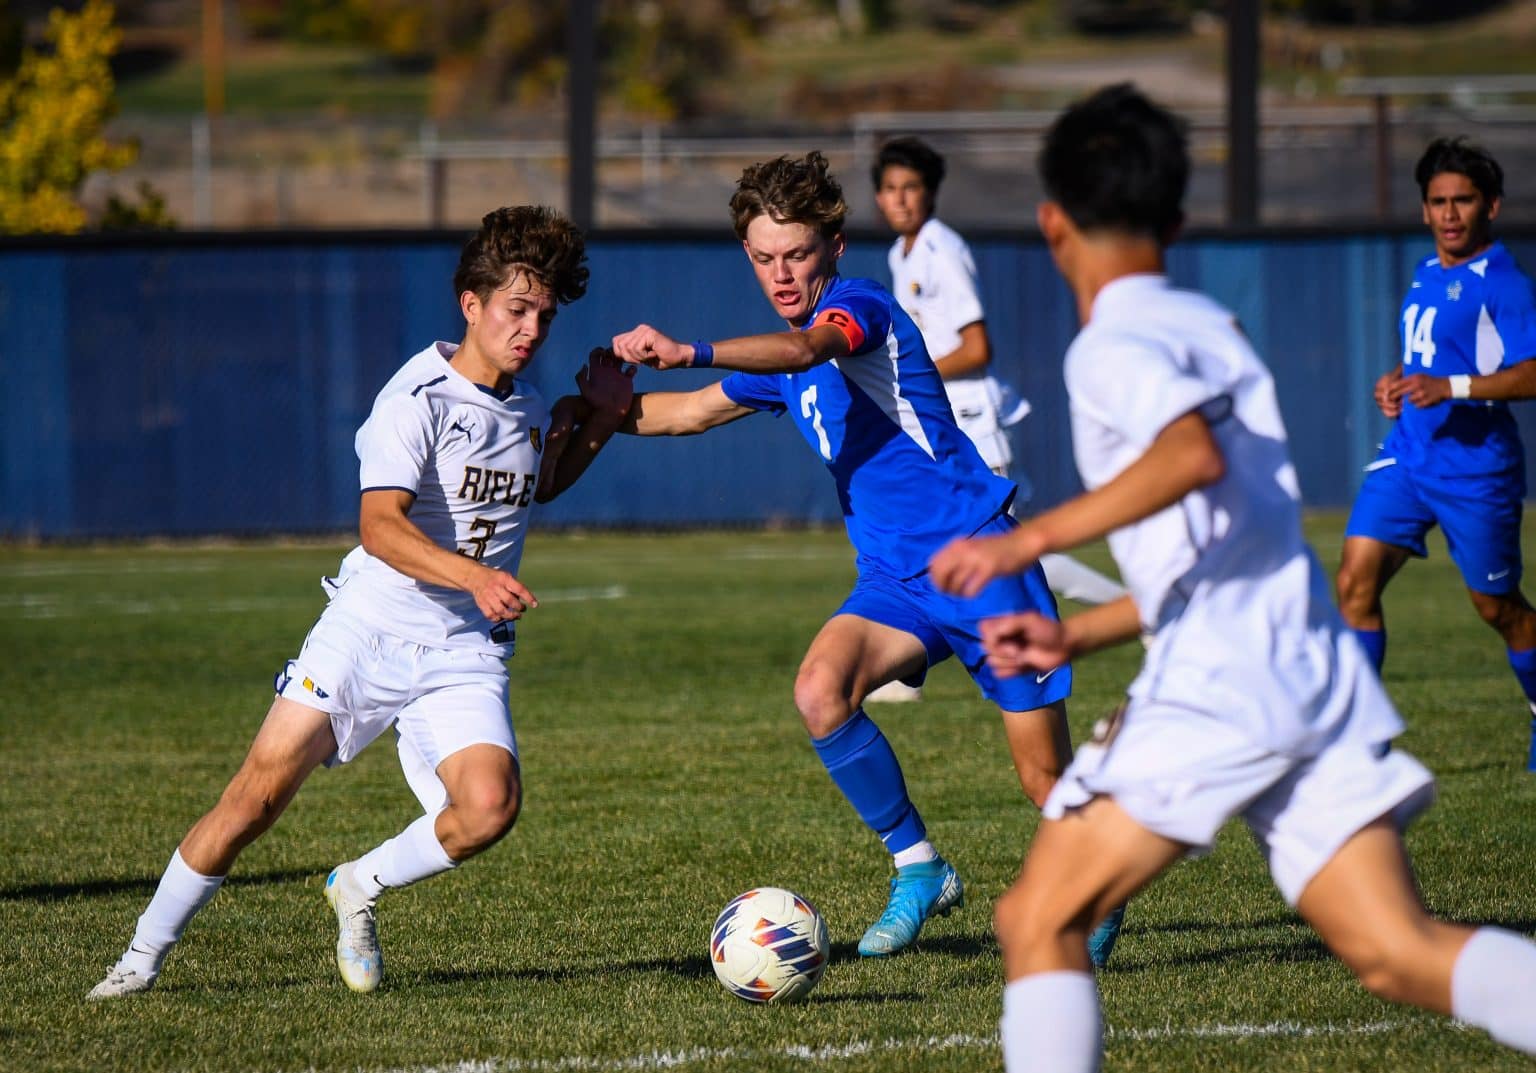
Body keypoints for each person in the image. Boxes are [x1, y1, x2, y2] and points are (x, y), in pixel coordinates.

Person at [928, 84, 1536, 1072]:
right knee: (1399, 950)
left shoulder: (1113, 345)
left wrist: (1021, 543)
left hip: (1223, 687)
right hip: (1304, 667)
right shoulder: (1210, 323)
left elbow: (1187, 457)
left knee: (1037, 916)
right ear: (1175, 219)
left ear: (1052, 223)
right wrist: (1078, 632)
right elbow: (1223, 543)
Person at [87, 205, 635, 999]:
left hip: (463, 651)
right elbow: (379, 527)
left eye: (545, 314)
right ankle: (138, 958)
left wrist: (606, 421)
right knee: (254, 800)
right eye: (518, 308)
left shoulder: (521, 406)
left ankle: (359, 883)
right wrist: (476, 576)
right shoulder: (415, 396)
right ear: (470, 303)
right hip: (369, 631)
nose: (532, 327)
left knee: (489, 806)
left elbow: (537, 485)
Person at [605, 150, 1125, 965]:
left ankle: (1102, 879)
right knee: (820, 690)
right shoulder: (782, 359)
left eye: (798, 254)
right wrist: (581, 417)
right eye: (764, 257)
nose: (782, 273)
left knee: (1041, 781)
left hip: (983, 565)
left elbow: (806, 349)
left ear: (835, 247)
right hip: (895, 583)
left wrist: (690, 347)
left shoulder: (859, 311)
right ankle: (921, 869)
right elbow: (685, 416)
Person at [1334, 136, 1536, 772]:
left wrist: (1448, 387)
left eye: (1464, 200)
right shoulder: (1428, 273)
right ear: (1423, 210)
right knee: (1354, 578)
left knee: (1497, 608)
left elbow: (1531, 373)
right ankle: (1363, 743)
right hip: (1410, 456)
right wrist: (1397, 381)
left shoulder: (1504, 282)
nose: (1450, 213)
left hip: (1477, 469)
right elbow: (1430, 359)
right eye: (1438, 201)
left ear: (1491, 206)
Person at [871, 136, 1127, 610]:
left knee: (1001, 549)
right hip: (943, 424)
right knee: (945, 548)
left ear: (930, 192)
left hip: (976, 423)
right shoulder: (900, 255)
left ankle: (1134, 611)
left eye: (911, 186)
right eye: (890, 188)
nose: (900, 198)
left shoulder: (942, 250)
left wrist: (905, 377)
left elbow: (977, 349)